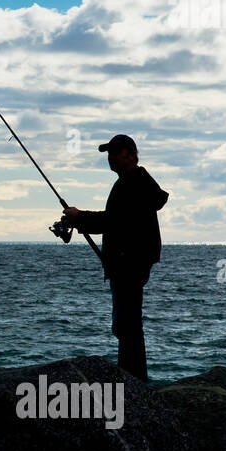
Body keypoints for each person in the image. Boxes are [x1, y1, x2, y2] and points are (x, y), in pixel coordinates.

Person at [60, 135, 169, 382]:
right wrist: (80, 219)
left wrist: (79, 217)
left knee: (127, 324)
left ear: (131, 154)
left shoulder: (134, 183)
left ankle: (133, 380)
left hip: (129, 263)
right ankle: (132, 378)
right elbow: (116, 221)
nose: (111, 158)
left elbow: (112, 221)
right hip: (129, 261)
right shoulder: (133, 182)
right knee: (126, 323)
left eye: (116, 153)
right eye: (109, 153)